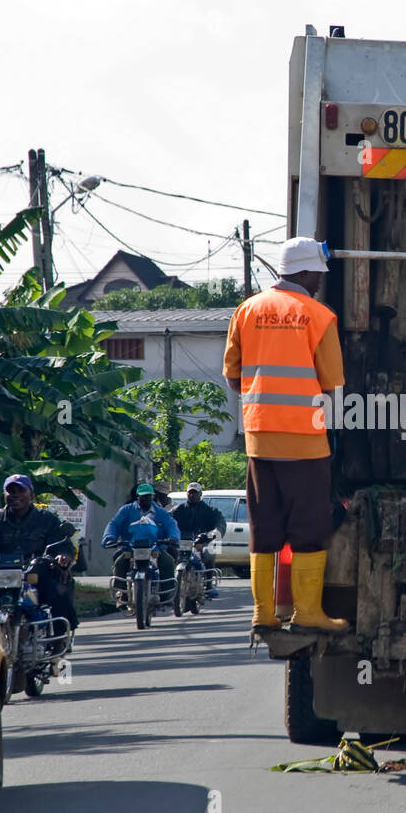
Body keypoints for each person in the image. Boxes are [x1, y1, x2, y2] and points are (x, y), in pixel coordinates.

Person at [223, 236, 348, 633]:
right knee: (309, 525)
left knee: (265, 525)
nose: (319, 284)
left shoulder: (247, 310)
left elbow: (232, 376)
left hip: (259, 438)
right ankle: (307, 612)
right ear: (307, 272)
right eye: (318, 276)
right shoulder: (318, 315)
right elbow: (332, 385)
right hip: (305, 442)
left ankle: (263, 614)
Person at [0, 474, 77, 630]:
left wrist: (62, 557)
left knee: (59, 591)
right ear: (5, 495)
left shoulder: (47, 519)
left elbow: (62, 545)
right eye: (11, 491)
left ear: (31, 494)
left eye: (21, 490)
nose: (16, 495)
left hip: (36, 574)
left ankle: (59, 637)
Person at [102, 482, 180, 609]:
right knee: (119, 562)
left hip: (155, 547)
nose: (146, 499)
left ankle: (166, 594)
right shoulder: (126, 510)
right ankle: (123, 594)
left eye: (148, 496)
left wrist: (173, 538)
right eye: (143, 496)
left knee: (168, 562)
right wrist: (110, 538)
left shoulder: (160, 512)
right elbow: (114, 524)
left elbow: (171, 525)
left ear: (152, 497)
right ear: (137, 497)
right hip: (130, 548)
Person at [172, 482, 227, 597]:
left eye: (195, 493)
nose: (192, 495)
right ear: (187, 494)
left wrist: (212, 534)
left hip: (202, 542)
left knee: (210, 552)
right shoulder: (178, 509)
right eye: (190, 493)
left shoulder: (209, 510)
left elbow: (220, 523)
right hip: (182, 542)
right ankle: (168, 586)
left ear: (200, 494)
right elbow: (166, 520)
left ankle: (209, 584)